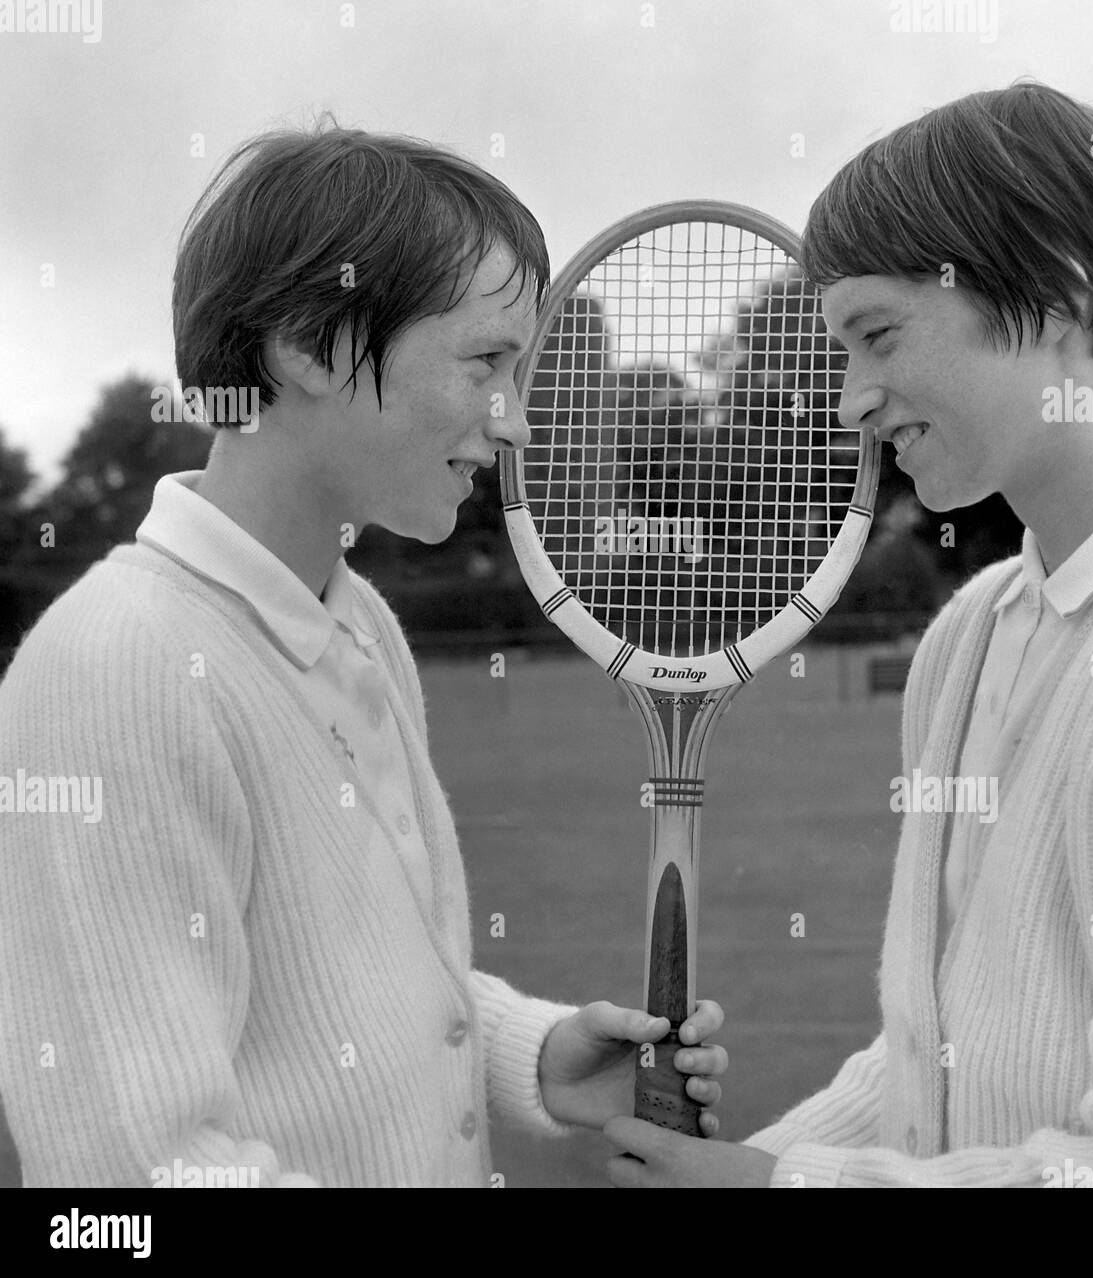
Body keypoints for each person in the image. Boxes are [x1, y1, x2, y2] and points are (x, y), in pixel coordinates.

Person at [0, 123, 725, 1187]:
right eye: (486, 361)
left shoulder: (358, 623)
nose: (514, 422)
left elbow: (334, 985)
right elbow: (136, 1173)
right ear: (307, 341)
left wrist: (537, 1054)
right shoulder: (113, 671)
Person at [605, 80, 1093, 1187]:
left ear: (1061, 297)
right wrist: (762, 1158)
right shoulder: (967, 636)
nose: (849, 399)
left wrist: (783, 1189)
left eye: (877, 334)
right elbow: (928, 1061)